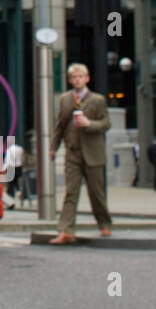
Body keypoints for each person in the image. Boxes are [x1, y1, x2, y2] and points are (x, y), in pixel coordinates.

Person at [48, 62, 114, 244]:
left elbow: (106, 123)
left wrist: (90, 124)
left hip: (93, 153)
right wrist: (54, 147)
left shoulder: (97, 100)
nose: (77, 80)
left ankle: (104, 223)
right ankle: (66, 230)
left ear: (87, 79)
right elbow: (60, 125)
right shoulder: (65, 99)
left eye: (80, 77)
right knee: (71, 192)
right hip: (73, 153)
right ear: (70, 80)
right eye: (74, 77)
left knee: (96, 193)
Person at [2, 138, 24, 208]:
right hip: (19, 167)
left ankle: (11, 201)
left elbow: (8, 161)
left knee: (10, 185)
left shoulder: (9, 150)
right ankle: (18, 192)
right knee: (16, 182)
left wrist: (4, 169)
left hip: (11, 168)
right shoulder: (20, 149)